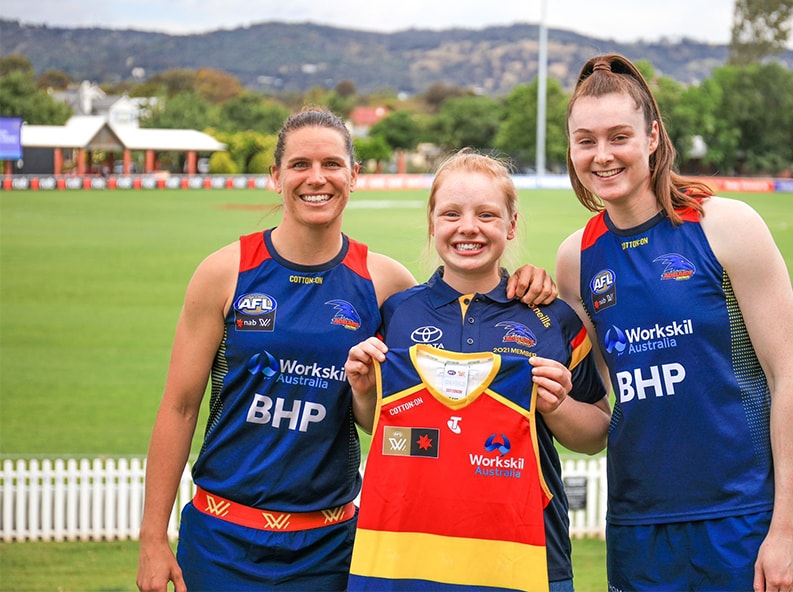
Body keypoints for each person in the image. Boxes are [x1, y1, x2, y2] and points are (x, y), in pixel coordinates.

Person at [136, 108, 555, 592]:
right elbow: (180, 407)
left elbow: (443, 348)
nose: (317, 178)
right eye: (300, 164)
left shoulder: (386, 283)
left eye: (332, 164)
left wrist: (522, 284)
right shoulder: (224, 272)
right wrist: (153, 537)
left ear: (353, 175)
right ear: (275, 176)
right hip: (221, 539)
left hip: (330, 547)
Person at [555, 54, 793, 592]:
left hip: (744, 519)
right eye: (586, 141)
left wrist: (786, 529)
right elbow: (603, 404)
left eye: (619, 137)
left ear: (653, 136)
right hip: (639, 529)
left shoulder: (726, 226)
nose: (602, 155)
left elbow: (790, 377)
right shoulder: (575, 259)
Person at [345, 150, 611, 591]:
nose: (468, 227)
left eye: (486, 215)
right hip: (409, 554)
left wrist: (558, 406)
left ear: (511, 225)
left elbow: (597, 433)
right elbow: (384, 423)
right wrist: (363, 391)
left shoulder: (552, 319)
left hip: (527, 555)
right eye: (451, 214)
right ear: (432, 224)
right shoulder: (396, 314)